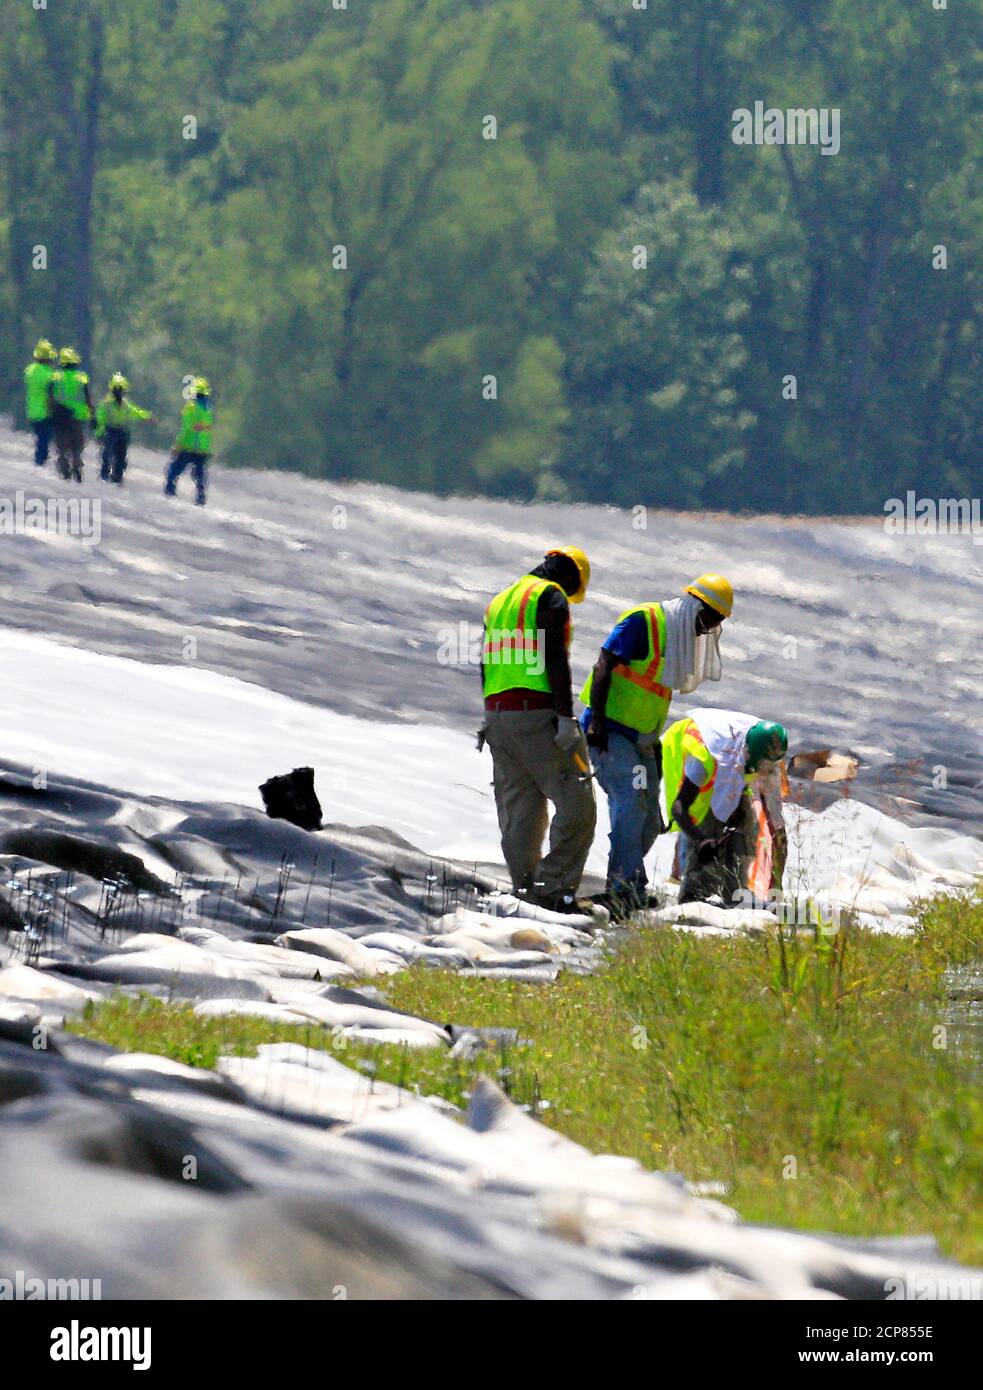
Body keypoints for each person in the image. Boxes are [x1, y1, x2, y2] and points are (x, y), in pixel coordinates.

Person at [580, 573, 732, 915]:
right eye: (707, 620)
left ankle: (629, 884)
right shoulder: (644, 621)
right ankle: (622, 889)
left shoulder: (678, 640)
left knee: (650, 821)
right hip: (610, 732)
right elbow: (604, 664)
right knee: (630, 800)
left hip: (642, 741)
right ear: (696, 606)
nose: (707, 630)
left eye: (714, 625)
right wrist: (599, 722)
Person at [479, 546, 596, 913]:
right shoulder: (550, 596)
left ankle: (526, 890)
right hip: (538, 714)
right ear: (569, 576)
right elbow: (554, 657)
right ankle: (552, 891)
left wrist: (489, 713)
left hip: (500, 716)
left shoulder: (500, 601)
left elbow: (486, 661)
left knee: (520, 808)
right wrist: (565, 717)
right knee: (578, 805)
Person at [661, 710, 788, 907]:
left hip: (733, 765)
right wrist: (700, 840)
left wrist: (776, 889)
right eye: (762, 766)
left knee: (746, 828)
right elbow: (680, 808)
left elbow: (777, 829)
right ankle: (692, 894)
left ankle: (734, 892)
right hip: (698, 759)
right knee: (706, 825)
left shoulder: (768, 747)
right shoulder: (705, 758)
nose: (766, 771)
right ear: (749, 754)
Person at [95, 374, 153, 484]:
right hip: (110, 431)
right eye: (116, 389)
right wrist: (99, 433)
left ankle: (117, 476)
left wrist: (147, 416)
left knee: (121, 456)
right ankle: (104, 475)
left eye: (121, 390)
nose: (119, 392)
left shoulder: (126, 404)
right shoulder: (106, 404)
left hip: (122, 432)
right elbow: (100, 418)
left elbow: (135, 412)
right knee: (107, 453)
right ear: (112, 390)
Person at [165, 377, 213, 506]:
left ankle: (170, 492)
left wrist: (177, 445)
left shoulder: (191, 406)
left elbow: (186, 429)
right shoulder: (208, 409)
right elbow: (207, 428)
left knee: (174, 470)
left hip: (188, 446)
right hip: (202, 449)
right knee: (200, 474)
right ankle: (201, 498)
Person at [48, 347, 93, 483]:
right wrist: (92, 413)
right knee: (77, 443)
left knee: (61, 444)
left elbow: (49, 397)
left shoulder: (55, 377)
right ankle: (76, 463)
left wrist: (50, 412)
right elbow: (87, 397)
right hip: (78, 416)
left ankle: (63, 465)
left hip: (60, 415)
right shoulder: (82, 378)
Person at [24, 339, 57, 467]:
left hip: (32, 410)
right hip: (45, 412)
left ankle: (40, 459)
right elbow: (52, 394)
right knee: (45, 437)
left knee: (41, 436)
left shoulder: (29, 370)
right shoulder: (51, 374)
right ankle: (40, 461)